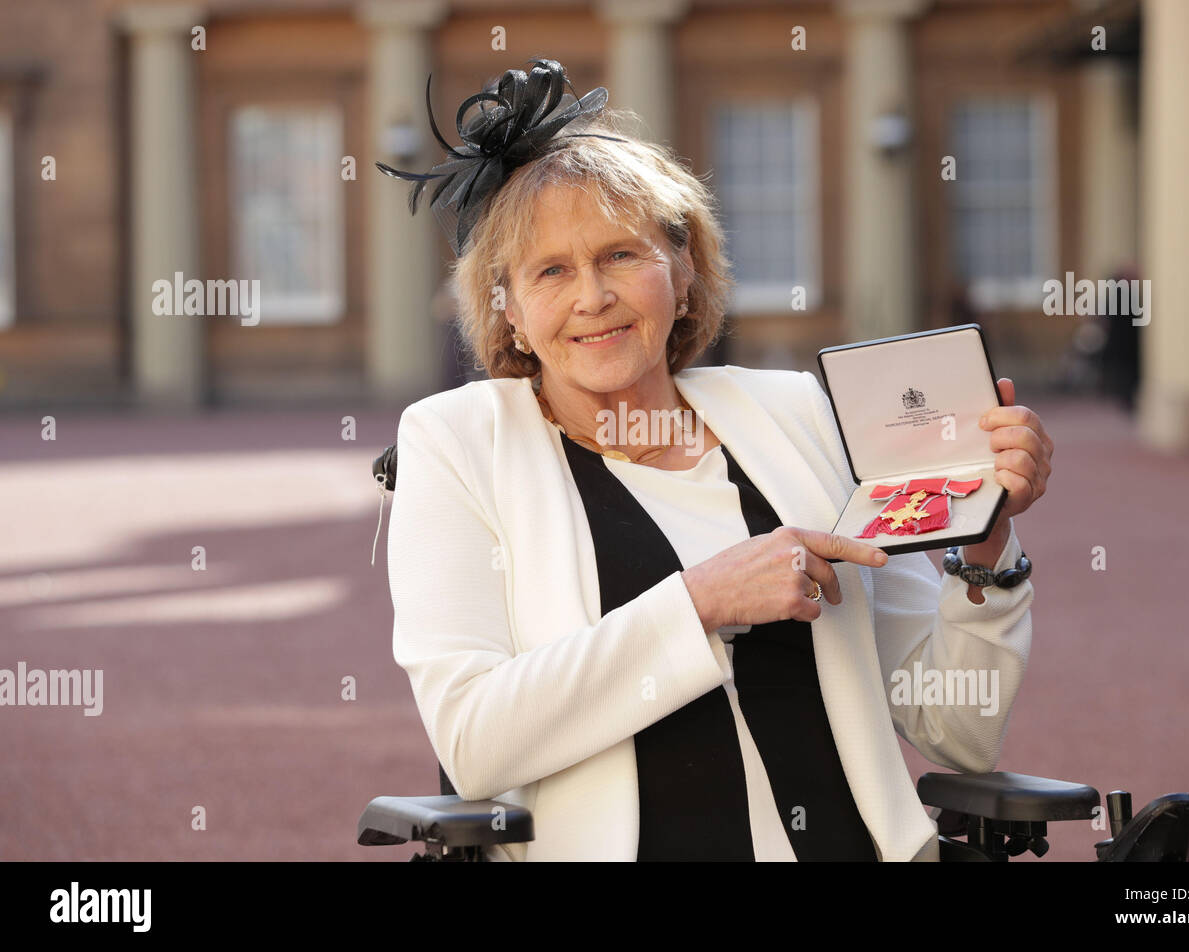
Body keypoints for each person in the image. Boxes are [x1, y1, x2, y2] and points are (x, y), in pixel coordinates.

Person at [380, 58, 1053, 861]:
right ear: (512, 312)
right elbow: (474, 742)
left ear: (684, 270)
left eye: (621, 255)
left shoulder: (798, 414)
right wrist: (700, 601)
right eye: (551, 271)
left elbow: (957, 728)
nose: (592, 297)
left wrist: (984, 541)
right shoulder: (457, 442)